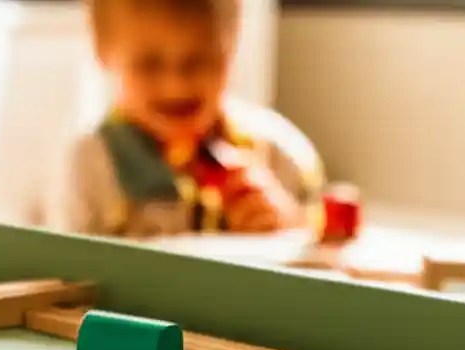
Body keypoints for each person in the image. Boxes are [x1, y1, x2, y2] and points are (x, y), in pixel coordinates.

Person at [46, 0, 324, 237]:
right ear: (103, 53)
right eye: (149, 64)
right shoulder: (91, 163)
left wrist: (286, 227)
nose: (176, 86)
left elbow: (325, 257)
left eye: (200, 60)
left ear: (232, 46)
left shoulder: (281, 154)